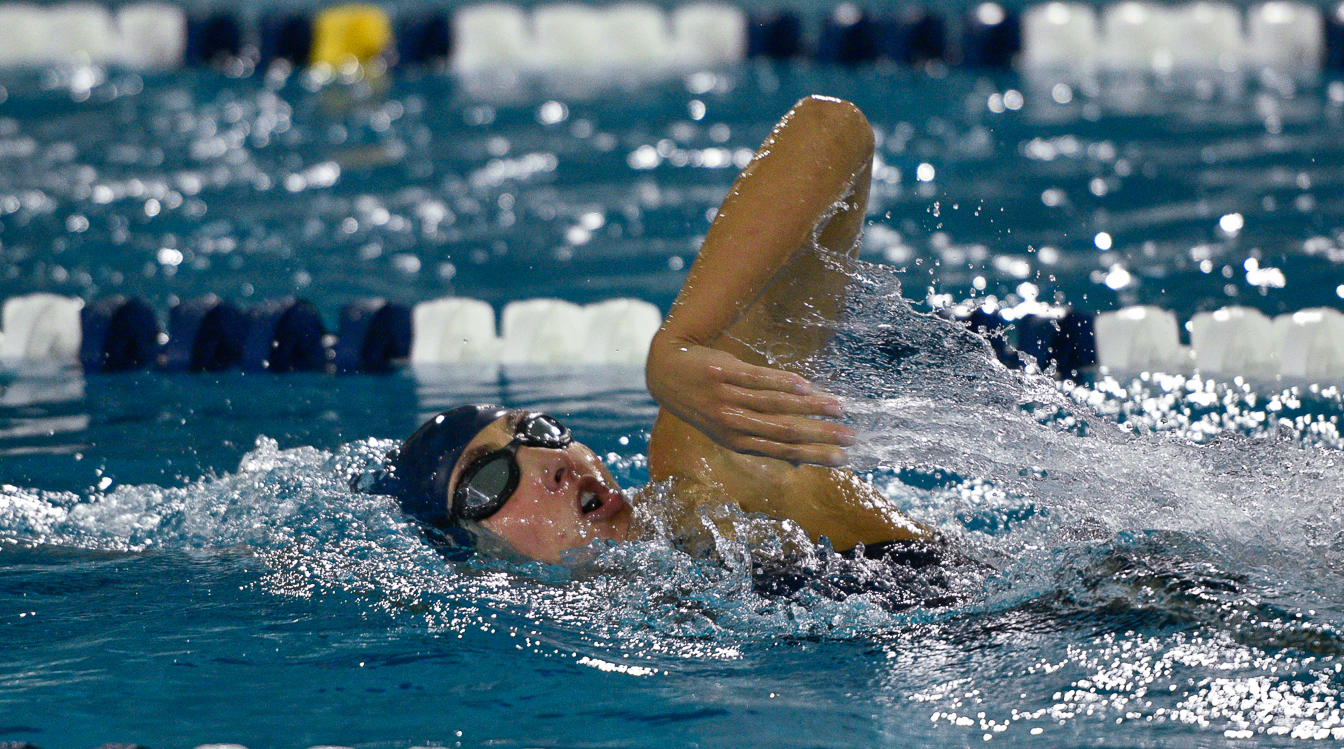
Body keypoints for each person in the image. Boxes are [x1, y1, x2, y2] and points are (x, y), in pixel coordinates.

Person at [371, 96, 936, 567]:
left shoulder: (704, 469)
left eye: (538, 430)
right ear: (469, 556)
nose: (551, 462)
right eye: (490, 481)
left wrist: (676, 346)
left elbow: (831, 128)